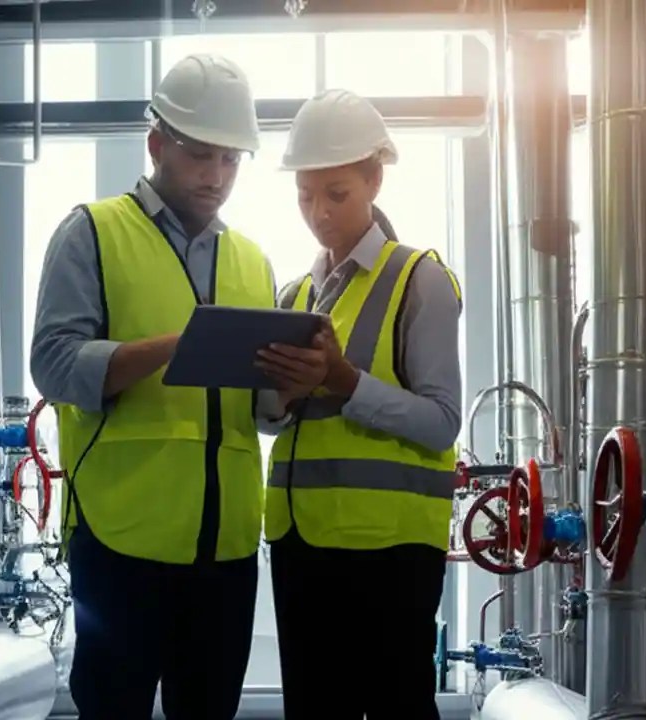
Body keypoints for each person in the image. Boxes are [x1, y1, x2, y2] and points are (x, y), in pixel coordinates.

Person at [30, 54, 281, 720]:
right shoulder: (91, 233)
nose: (216, 176)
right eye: (200, 155)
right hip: (121, 541)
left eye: (230, 160)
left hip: (226, 547)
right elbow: (52, 364)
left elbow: (262, 413)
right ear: (156, 144)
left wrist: (292, 386)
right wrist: (176, 346)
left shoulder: (253, 261)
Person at [254, 89, 464, 720]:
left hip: (389, 549)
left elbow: (442, 422)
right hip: (298, 541)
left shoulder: (420, 279)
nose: (318, 213)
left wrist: (346, 383)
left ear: (375, 180)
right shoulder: (294, 296)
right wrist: (281, 398)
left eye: (336, 193)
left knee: (397, 707)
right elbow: (269, 419)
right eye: (305, 196)